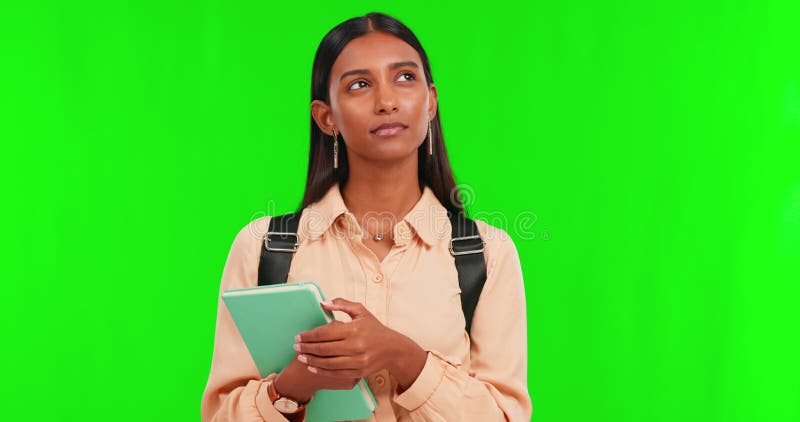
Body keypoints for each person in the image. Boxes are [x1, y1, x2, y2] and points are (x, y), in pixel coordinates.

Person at [201, 12, 532, 421]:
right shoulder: (263, 247)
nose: (387, 101)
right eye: (360, 84)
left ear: (431, 102)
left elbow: (505, 415)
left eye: (405, 78)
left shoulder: (486, 253)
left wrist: (403, 356)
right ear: (327, 117)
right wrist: (293, 386)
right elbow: (220, 415)